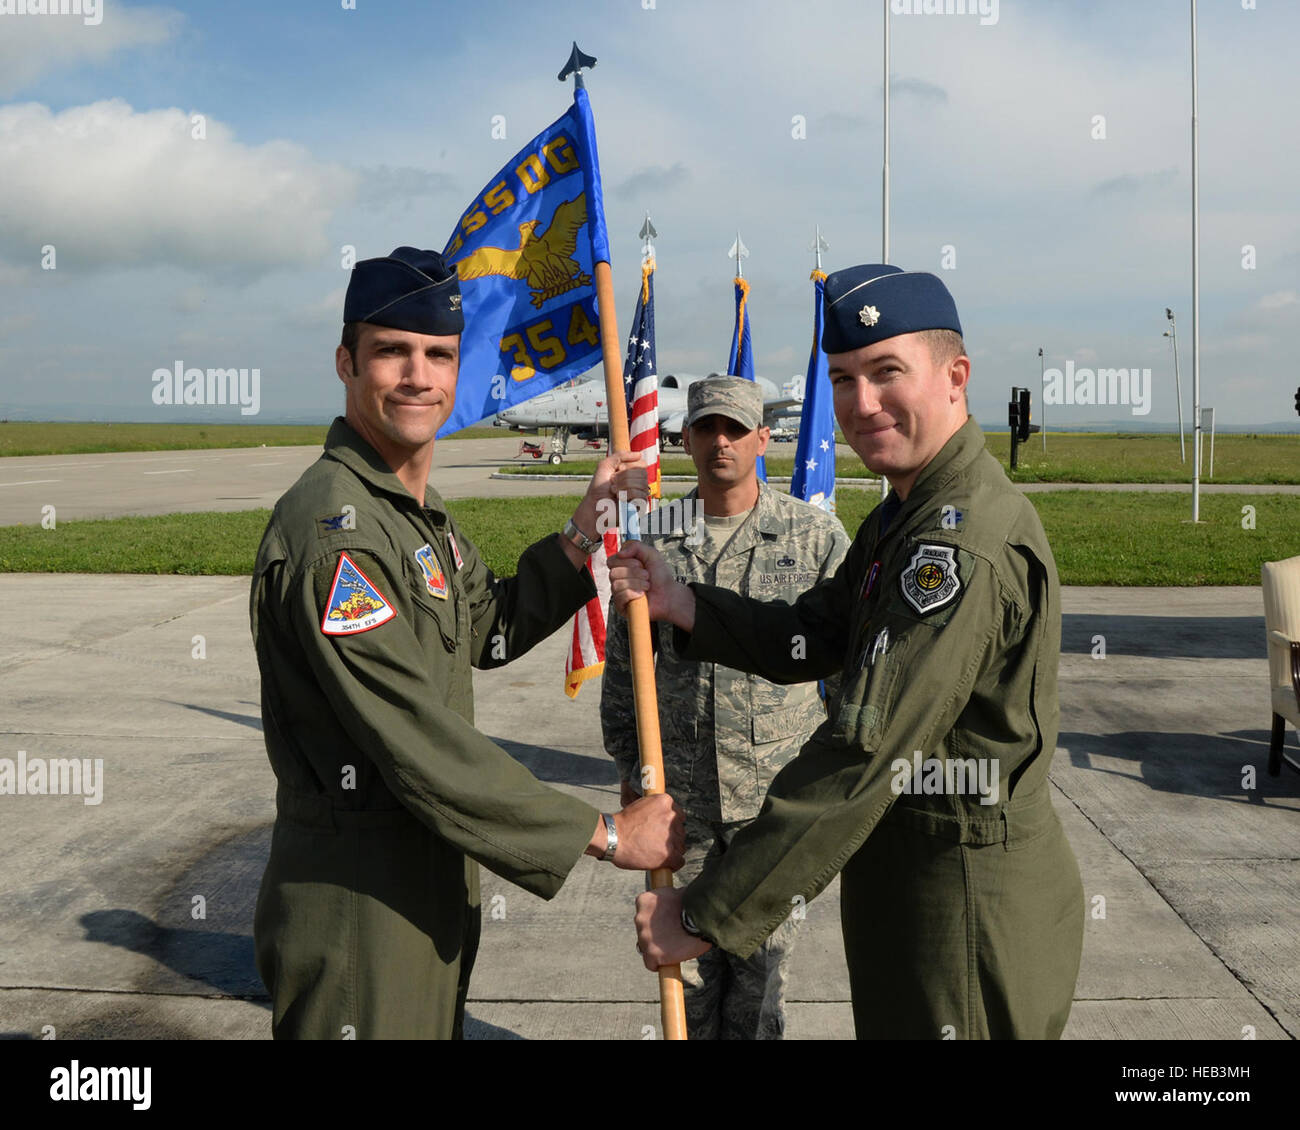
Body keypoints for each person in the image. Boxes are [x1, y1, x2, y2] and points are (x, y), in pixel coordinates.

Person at [615, 264, 1085, 1039]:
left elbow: (865, 752)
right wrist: (686, 603)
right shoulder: (908, 513)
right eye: (842, 378)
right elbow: (821, 631)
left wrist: (703, 912)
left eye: (886, 372)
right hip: (914, 882)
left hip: (963, 903)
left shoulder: (955, 544)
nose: (861, 403)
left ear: (955, 378)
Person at [249, 246, 684, 1040]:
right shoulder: (337, 534)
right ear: (347, 363)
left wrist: (585, 528)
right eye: (393, 352)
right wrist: (606, 834)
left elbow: (490, 628)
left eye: (438, 355)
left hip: (429, 873)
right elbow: (416, 740)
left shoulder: (417, 515)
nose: (418, 377)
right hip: (361, 898)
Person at [601, 375, 848, 1040]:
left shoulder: (814, 535)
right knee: (687, 988)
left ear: (763, 438)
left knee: (762, 989)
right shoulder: (653, 536)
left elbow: (847, 673)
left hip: (774, 808)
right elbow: (624, 667)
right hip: (683, 808)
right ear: (685, 438)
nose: (721, 442)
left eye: (736, 429)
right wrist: (630, 769)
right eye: (707, 428)